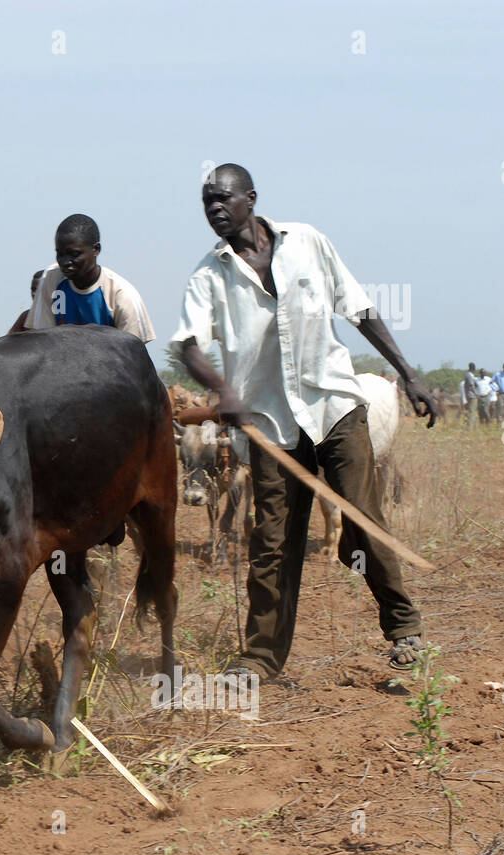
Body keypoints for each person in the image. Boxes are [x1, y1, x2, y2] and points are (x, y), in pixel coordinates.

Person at [171, 164, 436, 681]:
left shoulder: (308, 242)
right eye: (206, 202)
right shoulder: (209, 275)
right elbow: (186, 345)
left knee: (363, 518)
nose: (214, 209)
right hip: (271, 426)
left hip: (334, 404)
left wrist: (409, 375)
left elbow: (359, 310)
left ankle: (405, 631)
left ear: (251, 198)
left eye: (223, 198)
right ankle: (260, 659)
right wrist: (224, 389)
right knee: (272, 541)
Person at [23, 214, 155, 342]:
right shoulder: (52, 279)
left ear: (96, 249)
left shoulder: (123, 295)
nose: (65, 262)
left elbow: (132, 353)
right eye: (60, 254)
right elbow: (42, 340)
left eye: (74, 254)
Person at [7, 269, 45, 334]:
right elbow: (9, 340)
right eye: (33, 289)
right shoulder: (26, 316)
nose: (34, 294)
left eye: (39, 290)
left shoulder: (60, 315)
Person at [461, 362, 478, 428]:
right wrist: (476, 394)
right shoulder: (470, 375)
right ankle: (470, 427)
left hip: (468, 395)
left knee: (472, 411)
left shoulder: (467, 375)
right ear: (473, 368)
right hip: (472, 395)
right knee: (472, 411)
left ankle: (474, 426)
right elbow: (472, 386)